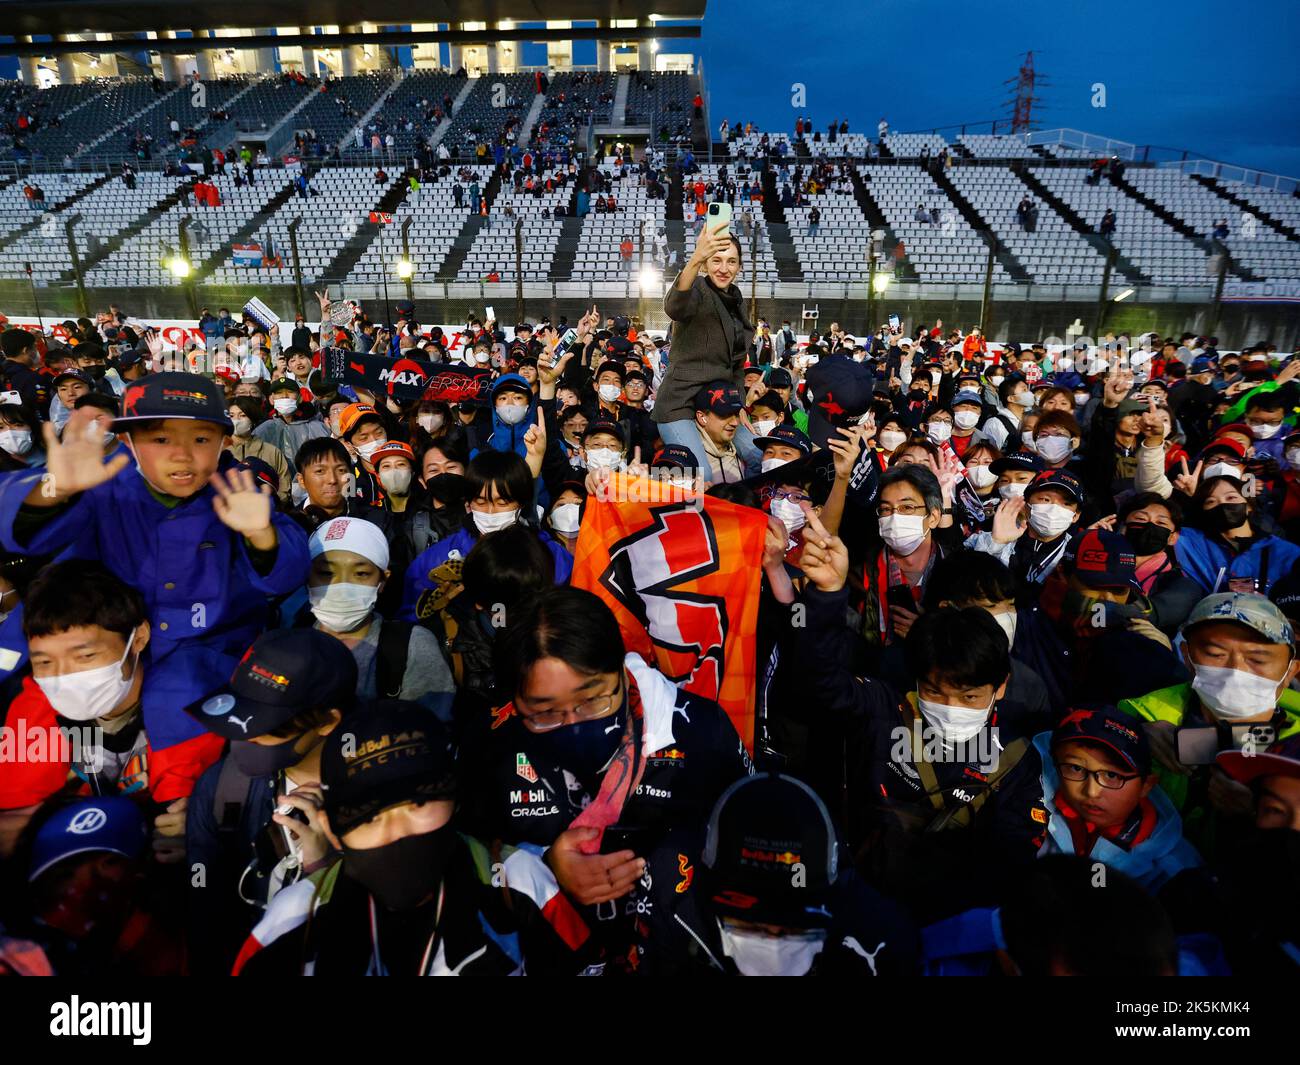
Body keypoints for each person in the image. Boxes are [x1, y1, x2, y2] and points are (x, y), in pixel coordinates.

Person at [0, 377, 310, 799]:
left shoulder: (239, 491)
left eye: (201, 438)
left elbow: (287, 570)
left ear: (224, 441)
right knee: (30, 730)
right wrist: (54, 489)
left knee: (183, 741)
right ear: (127, 441)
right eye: (160, 437)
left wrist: (261, 534)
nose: (182, 454)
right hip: (93, 654)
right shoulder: (98, 482)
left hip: (205, 667)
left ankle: (180, 818)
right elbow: (20, 530)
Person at [233, 699, 593, 976]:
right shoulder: (291, 920)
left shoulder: (518, 881)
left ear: (456, 796)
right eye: (368, 817)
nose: (397, 832)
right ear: (331, 828)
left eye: (420, 802)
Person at [182, 628, 357, 973]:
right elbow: (203, 906)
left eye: (266, 726)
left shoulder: (383, 793)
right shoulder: (222, 785)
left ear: (327, 721)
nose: (246, 736)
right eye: (241, 717)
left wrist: (326, 874)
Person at [634, 773, 920, 975]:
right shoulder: (673, 889)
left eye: (793, 929)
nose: (772, 947)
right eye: (750, 925)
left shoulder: (882, 941)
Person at [1119, 592, 1300, 857]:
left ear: (1290, 672)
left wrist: (1261, 814)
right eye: (1215, 653)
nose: (1236, 671)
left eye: (1258, 660)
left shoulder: (1295, 739)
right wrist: (1133, 735)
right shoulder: (1144, 715)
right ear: (1188, 658)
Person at [1034, 706, 1202, 894]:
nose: (1091, 791)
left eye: (1112, 775)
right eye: (1075, 768)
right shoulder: (1025, 810)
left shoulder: (1177, 869)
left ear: (1146, 785)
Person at [305, 516, 454, 718]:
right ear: (307, 575)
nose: (342, 587)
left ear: (383, 581)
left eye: (361, 574)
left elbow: (427, 733)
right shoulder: (289, 643)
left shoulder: (411, 646)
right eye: (326, 572)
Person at [653, 225, 755, 471]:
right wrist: (695, 259)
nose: (723, 268)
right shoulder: (697, 287)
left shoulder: (738, 300)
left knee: (761, 457)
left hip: (719, 405)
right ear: (706, 263)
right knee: (701, 475)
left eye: (731, 261)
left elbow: (737, 365)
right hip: (679, 402)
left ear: (740, 266)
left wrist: (738, 405)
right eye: (716, 260)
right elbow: (674, 308)